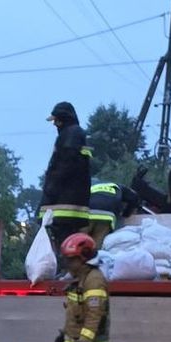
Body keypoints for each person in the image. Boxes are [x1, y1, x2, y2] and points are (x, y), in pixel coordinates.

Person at [41, 101, 96, 252]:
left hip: (64, 203)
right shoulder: (75, 134)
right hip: (72, 201)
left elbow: (66, 164)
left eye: (56, 120)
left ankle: (65, 269)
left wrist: (51, 189)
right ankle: (66, 269)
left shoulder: (71, 134)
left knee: (65, 241)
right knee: (67, 239)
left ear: (64, 119)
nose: (55, 124)